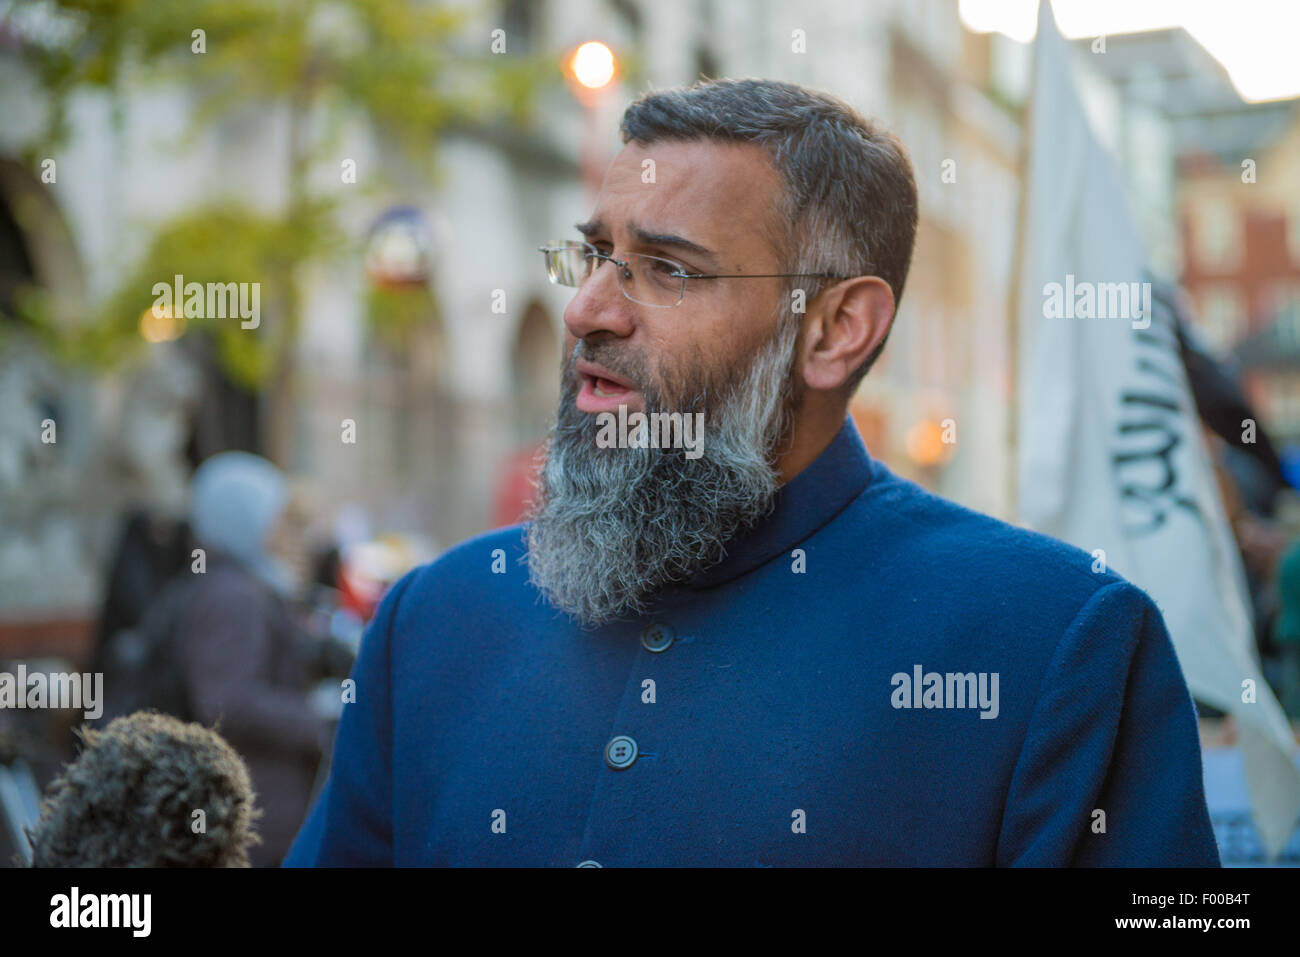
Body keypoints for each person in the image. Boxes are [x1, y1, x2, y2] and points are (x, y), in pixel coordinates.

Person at [286, 78, 1219, 866]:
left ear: (835, 328)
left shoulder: (1055, 645)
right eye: (597, 253)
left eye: (668, 269)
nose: (587, 310)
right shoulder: (434, 621)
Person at [180, 452, 332, 866]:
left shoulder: (249, 584)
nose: (285, 533)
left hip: (263, 799)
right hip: (259, 805)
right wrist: (315, 719)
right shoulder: (234, 595)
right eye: (277, 519)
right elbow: (229, 701)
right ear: (244, 520)